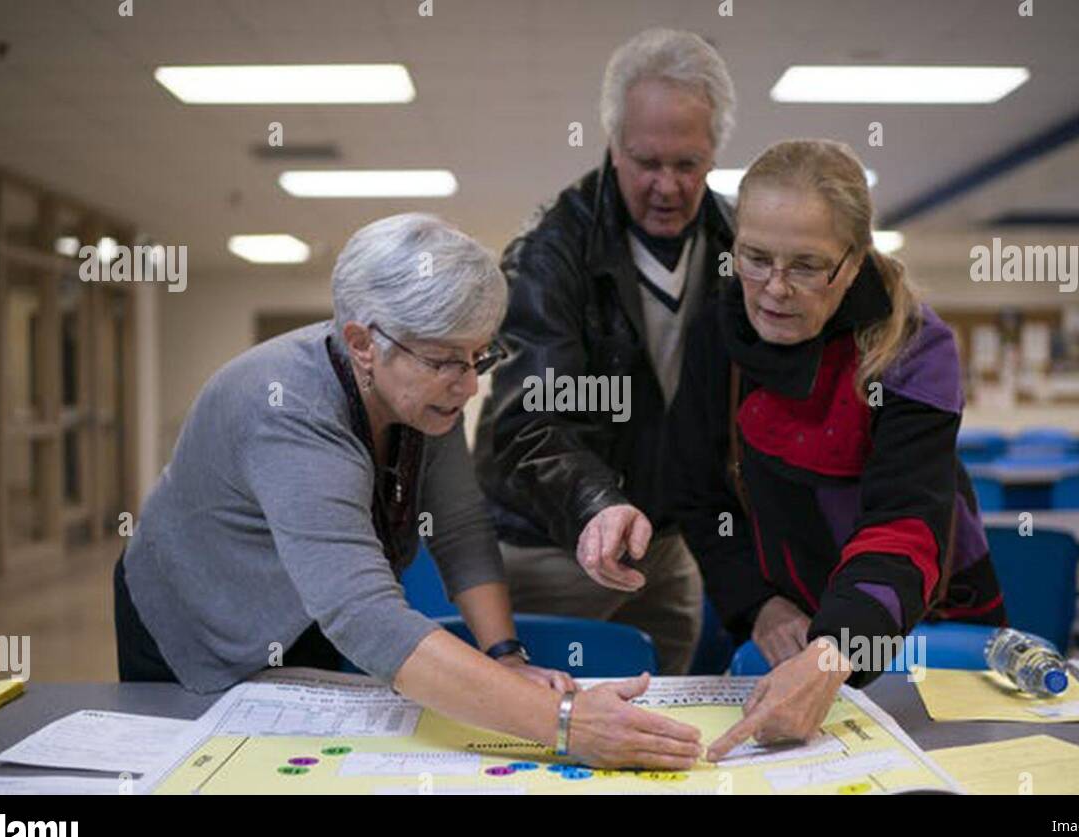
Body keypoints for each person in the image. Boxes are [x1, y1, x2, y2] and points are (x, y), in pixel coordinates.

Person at [116, 213, 701, 770]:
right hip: (194, 618)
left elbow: (461, 528)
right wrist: (567, 722)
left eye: (479, 357)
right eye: (448, 361)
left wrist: (508, 657)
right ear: (363, 343)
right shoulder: (283, 407)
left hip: (301, 611)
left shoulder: (418, 394)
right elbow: (362, 612)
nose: (469, 385)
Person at [668, 140, 1007, 760]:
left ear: (853, 262)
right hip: (789, 607)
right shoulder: (716, 333)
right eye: (755, 257)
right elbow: (699, 494)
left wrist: (836, 648)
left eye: (806, 265)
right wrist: (759, 604)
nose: (774, 289)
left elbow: (904, 527)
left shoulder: (913, 346)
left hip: (918, 605)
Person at [473, 28, 737, 673]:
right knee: (544, 721)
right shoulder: (550, 252)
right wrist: (599, 505)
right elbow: (527, 420)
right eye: (648, 162)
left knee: (664, 714)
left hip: (666, 544)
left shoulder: (740, 243)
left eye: (688, 164)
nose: (668, 186)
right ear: (614, 146)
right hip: (551, 543)